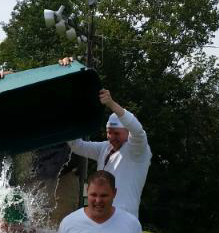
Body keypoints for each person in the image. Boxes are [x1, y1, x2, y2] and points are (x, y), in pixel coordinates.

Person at [60, 57, 151, 219]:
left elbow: (138, 130)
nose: (111, 137)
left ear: (127, 132)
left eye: (117, 133)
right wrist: (70, 115)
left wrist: (111, 103)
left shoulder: (137, 150)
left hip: (124, 220)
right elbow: (76, 145)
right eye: (109, 132)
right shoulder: (104, 148)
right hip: (99, 217)